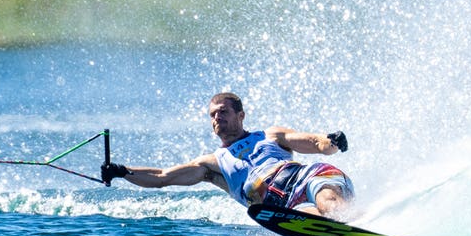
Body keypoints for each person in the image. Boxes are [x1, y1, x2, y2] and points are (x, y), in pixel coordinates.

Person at [100, 92, 354, 218]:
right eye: (212, 115)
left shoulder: (270, 136)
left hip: (311, 178)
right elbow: (162, 176)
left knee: (328, 204)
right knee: (315, 216)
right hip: (283, 208)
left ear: (240, 116)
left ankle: (363, 224)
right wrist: (123, 171)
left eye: (223, 112)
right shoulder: (213, 164)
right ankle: (352, 229)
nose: (217, 118)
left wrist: (332, 141)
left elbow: (314, 142)